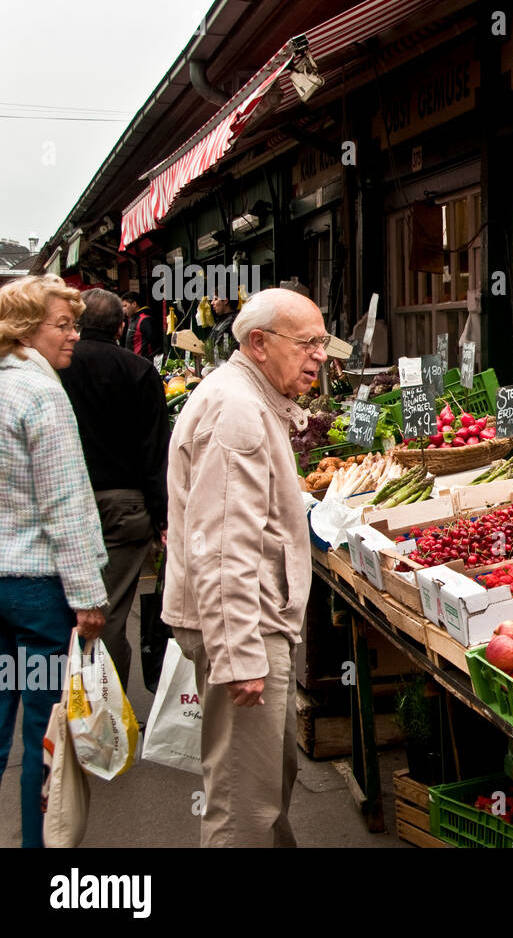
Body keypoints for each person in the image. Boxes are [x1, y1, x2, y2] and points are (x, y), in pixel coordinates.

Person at [165, 287, 327, 847]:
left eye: (322, 342)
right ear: (258, 343)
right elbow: (223, 544)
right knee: (244, 802)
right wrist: (238, 656)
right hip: (248, 625)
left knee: (261, 786)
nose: (320, 356)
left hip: (256, 621)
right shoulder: (237, 411)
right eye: (308, 342)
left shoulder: (248, 399)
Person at [0, 275, 107, 848]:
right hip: (38, 590)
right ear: (24, 329)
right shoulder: (41, 395)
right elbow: (65, 503)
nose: (73, 336)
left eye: (75, 324)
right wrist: (88, 594)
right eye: (62, 325)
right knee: (45, 733)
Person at [59, 288, 169, 689]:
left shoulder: (55, 369)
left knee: (68, 607)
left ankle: (72, 708)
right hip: (127, 507)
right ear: (123, 326)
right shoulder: (139, 370)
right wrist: (163, 516)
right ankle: (106, 709)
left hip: (67, 504)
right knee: (111, 611)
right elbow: (155, 450)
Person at [121, 291, 157, 359]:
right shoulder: (132, 319)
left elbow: (154, 345)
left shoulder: (145, 319)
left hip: (141, 364)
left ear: (134, 304)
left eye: (125, 306)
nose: (123, 309)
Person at [208, 296, 237, 366]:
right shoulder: (220, 321)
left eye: (215, 299)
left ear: (225, 301)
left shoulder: (233, 322)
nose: (212, 303)